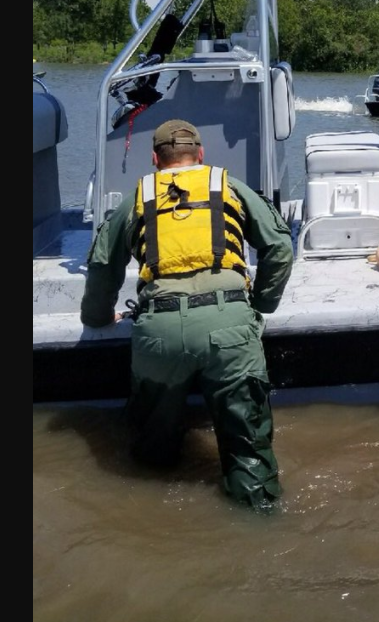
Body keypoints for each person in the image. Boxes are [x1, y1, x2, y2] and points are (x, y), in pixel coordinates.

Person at [80, 118, 294, 510]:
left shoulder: (139, 195)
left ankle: (153, 522)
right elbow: (279, 247)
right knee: (249, 455)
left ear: (155, 160)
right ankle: (260, 518)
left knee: (152, 452)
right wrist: (261, 306)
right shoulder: (227, 185)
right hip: (230, 328)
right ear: (200, 154)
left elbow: (102, 265)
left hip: (159, 332)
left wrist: (96, 319)